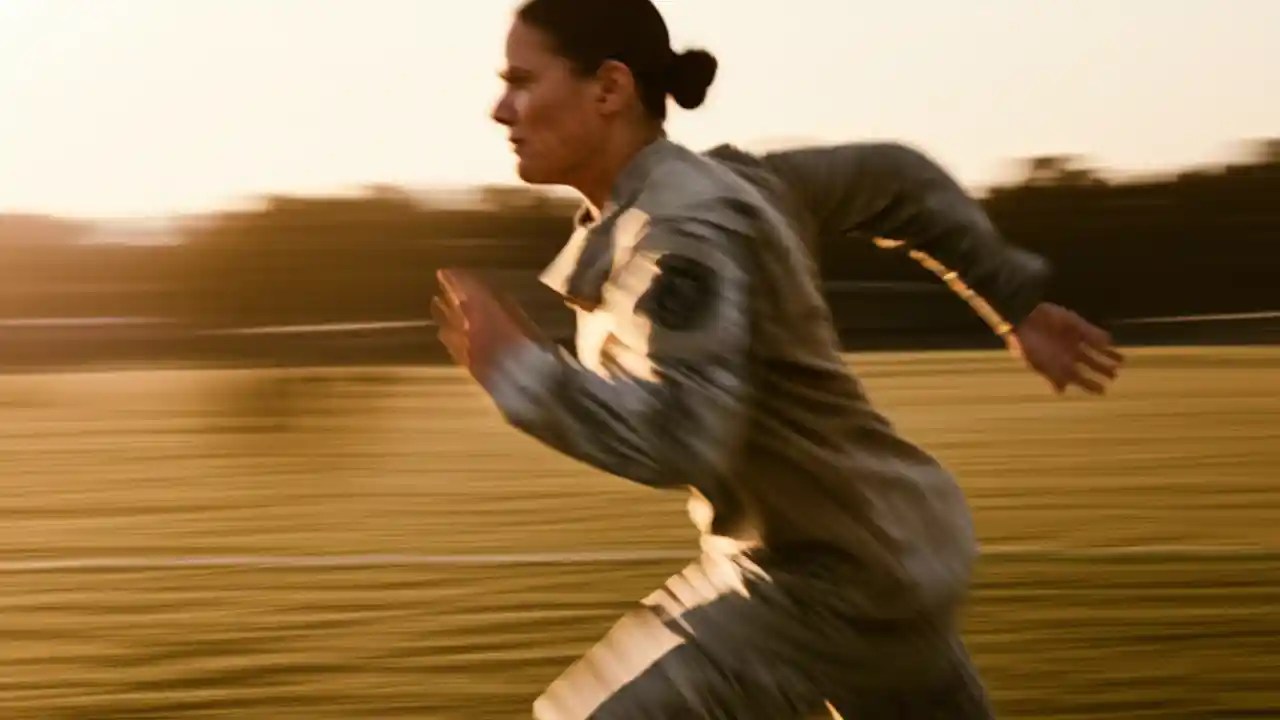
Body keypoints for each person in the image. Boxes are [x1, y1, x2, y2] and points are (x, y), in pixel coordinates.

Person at [432, 0, 1124, 717]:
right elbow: (897, 177)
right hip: (874, 553)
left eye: (521, 79)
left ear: (609, 89)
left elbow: (682, 433)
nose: (500, 109)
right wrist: (1009, 295)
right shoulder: (728, 189)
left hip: (828, 582)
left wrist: (520, 372)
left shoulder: (684, 233)